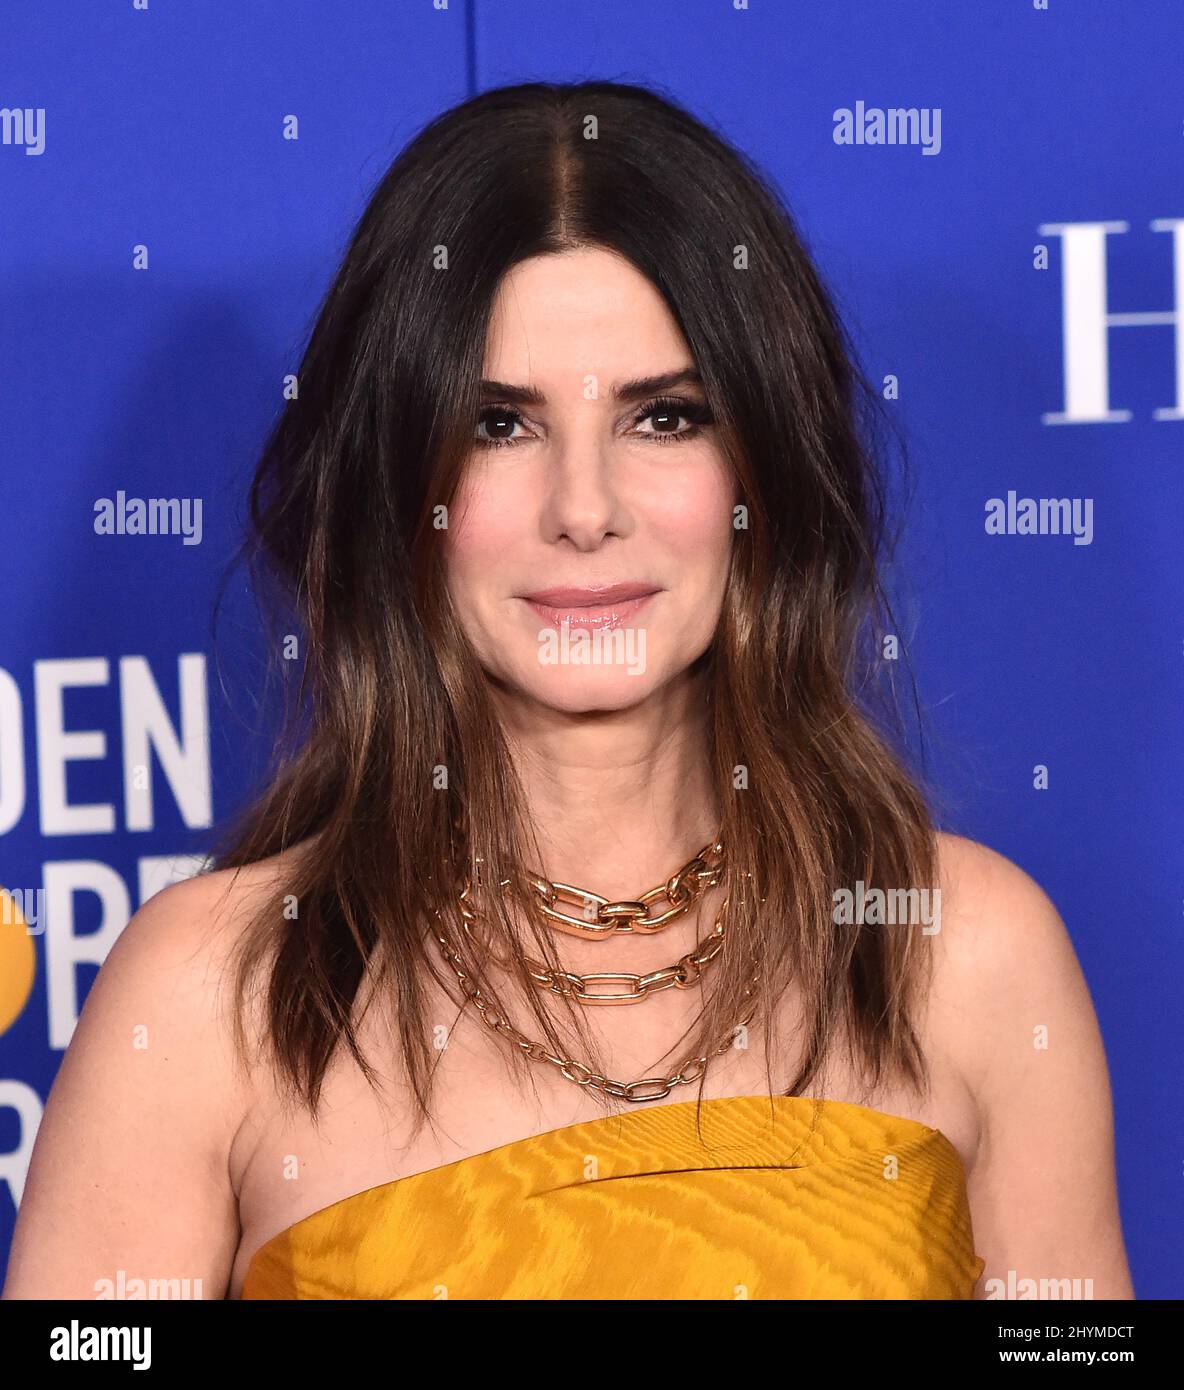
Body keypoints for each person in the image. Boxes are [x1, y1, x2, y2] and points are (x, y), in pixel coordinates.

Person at [2, 80, 1133, 1301]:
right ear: (397, 484)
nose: (583, 510)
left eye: (663, 416)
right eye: (498, 425)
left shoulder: (962, 954)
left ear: (761, 462)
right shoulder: (213, 997)